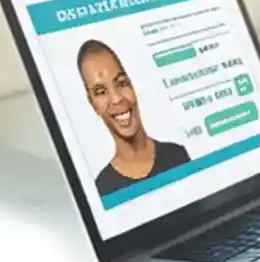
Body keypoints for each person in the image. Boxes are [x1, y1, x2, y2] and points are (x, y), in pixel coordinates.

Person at [77, 40, 192, 197]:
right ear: (93, 104)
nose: (117, 98)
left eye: (121, 83)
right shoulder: (103, 189)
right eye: (101, 92)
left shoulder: (177, 156)